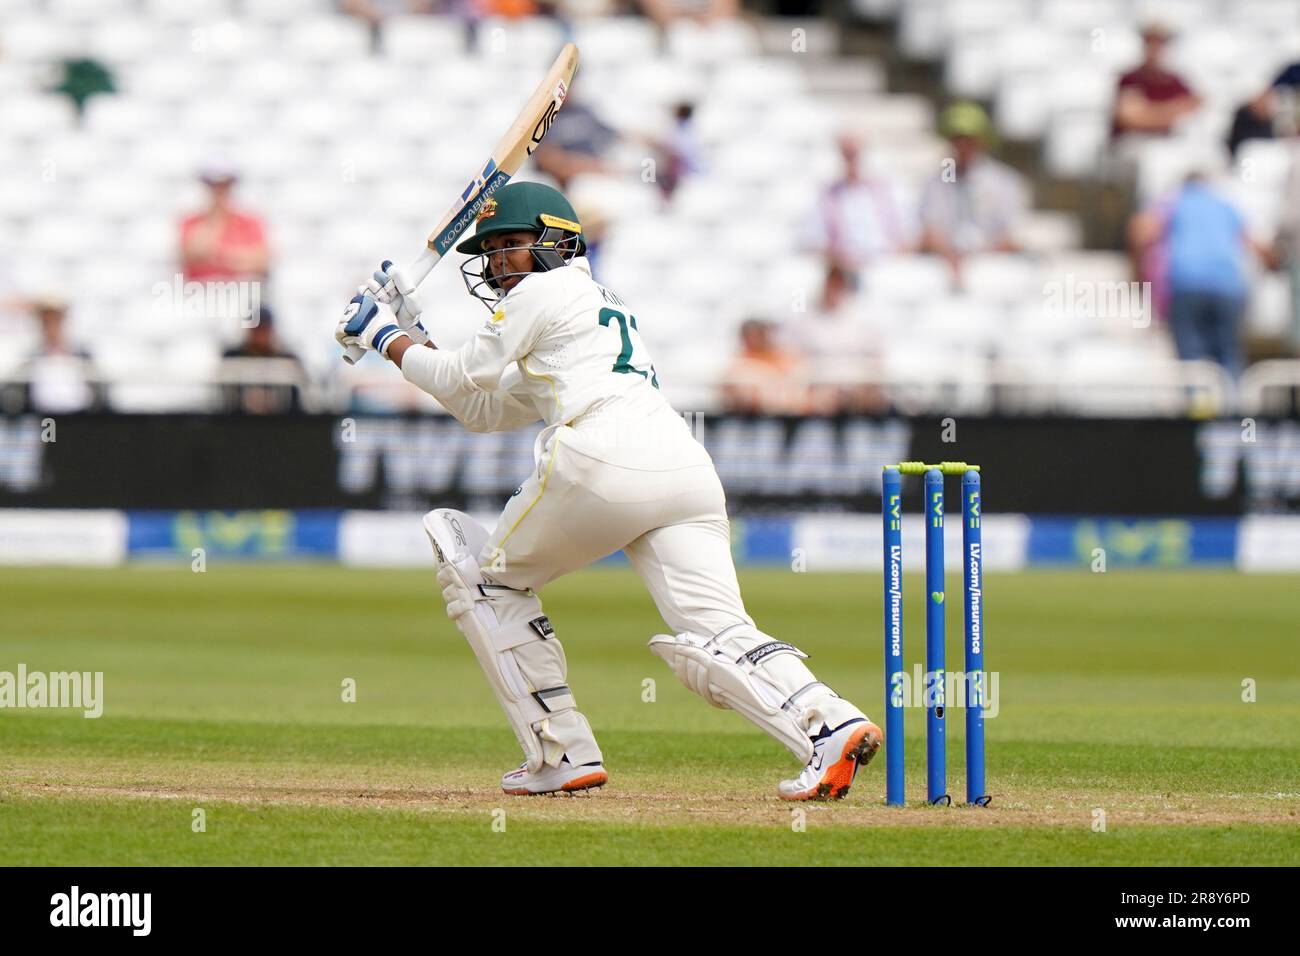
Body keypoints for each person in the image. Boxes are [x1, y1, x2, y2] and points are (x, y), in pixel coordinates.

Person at [335, 181, 881, 799]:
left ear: (556, 240)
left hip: (602, 456)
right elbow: (479, 407)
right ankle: (831, 724)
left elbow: (465, 373)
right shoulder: (589, 302)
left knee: (485, 581)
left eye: (509, 244)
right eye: (490, 250)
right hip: (683, 469)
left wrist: (382, 336)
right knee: (719, 627)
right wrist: (412, 332)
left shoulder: (542, 290)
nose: (497, 262)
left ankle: (561, 751)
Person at [1161, 174, 1273, 377]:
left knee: (1191, 359)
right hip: (1228, 287)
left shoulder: (1174, 202)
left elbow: (1141, 230)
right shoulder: (1225, 204)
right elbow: (1254, 243)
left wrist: (1139, 276)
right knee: (1228, 355)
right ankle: (1232, 396)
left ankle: (1197, 397)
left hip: (1188, 284)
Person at [918, 102, 1029, 282]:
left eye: (968, 140)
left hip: (993, 267)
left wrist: (978, 260)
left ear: (981, 141)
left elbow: (1011, 236)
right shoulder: (938, 181)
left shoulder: (1004, 181)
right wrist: (950, 257)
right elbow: (930, 229)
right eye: (957, 139)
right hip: (946, 265)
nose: (962, 146)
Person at [179, 159, 270, 284]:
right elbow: (189, 256)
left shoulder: (250, 222)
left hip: (240, 289)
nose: (219, 192)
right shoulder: (191, 222)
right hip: (201, 290)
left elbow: (261, 262)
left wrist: (218, 255)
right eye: (214, 186)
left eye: (224, 186)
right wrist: (213, 222)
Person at [1112, 22, 1201, 142]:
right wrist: (1171, 111)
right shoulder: (1130, 79)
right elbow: (1130, 118)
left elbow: (1196, 105)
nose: (1154, 50)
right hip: (1134, 144)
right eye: (1150, 44)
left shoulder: (1175, 81)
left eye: (1159, 44)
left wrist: (1151, 111)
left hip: (1168, 144)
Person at [221, 306, 306, 414]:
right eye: (256, 329)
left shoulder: (287, 360)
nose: (260, 335)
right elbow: (226, 400)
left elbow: (296, 402)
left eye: (264, 329)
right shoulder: (233, 358)